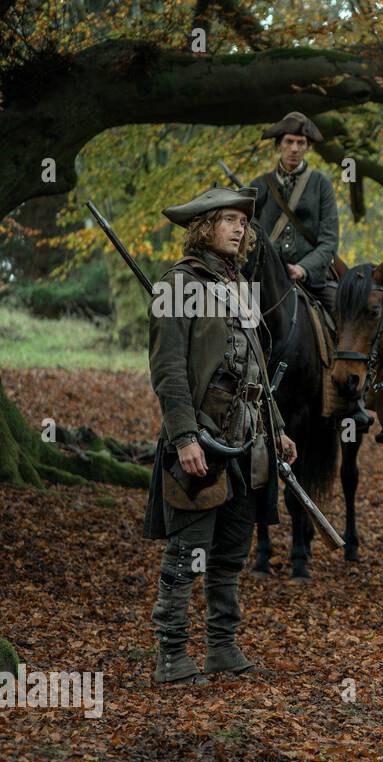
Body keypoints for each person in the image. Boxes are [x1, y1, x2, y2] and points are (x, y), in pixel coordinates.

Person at [143, 186, 297, 685]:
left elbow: (256, 363)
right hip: (202, 436)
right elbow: (168, 369)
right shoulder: (178, 283)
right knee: (189, 549)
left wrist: (276, 429)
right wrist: (184, 435)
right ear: (204, 227)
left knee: (231, 549)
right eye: (229, 219)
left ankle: (223, 646)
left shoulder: (240, 285)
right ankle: (170, 653)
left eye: (243, 222)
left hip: (249, 438)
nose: (239, 228)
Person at [250, 111, 373, 431]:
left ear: (307, 147)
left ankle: (350, 401)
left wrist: (304, 269)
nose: (294, 148)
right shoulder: (259, 186)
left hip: (313, 277)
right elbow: (247, 234)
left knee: (344, 317)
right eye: (289, 142)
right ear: (278, 146)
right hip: (266, 279)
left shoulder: (320, 185)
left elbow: (329, 240)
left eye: (300, 143)